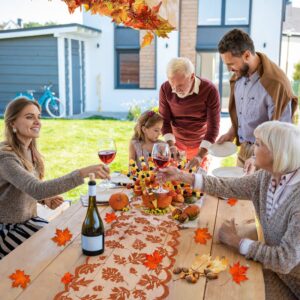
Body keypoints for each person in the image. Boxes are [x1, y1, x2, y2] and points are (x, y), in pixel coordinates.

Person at [158, 121, 300, 299]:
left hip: (292, 284)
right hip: (273, 270)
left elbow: (284, 260)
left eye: (257, 144)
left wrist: (237, 241)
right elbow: (228, 186)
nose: (251, 149)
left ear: (277, 152)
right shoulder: (266, 177)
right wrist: (183, 176)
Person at [0, 98, 110, 259]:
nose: (37, 122)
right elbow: (36, 188)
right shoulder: (6, 158)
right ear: (12, 123)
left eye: (39, 117)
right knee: (60, 253)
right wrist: (82, 173)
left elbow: (22, 187)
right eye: (30, 117)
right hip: (8, 229)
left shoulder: (30, 151)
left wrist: (44, 200)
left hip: (28, 222)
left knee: (70, 239)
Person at [217, 29, 298, 173]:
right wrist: (231, 132)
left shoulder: (275, 84)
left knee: (255, 196)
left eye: (231, 64)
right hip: (243, 151)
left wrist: (256, 158)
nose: (229, 69)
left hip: (266, 157)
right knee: (236, 194)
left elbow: (282, 133)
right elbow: (243, 113)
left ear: (247, 55)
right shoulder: (239, 76)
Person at [159, 57, 220, 169]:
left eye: (180, 85)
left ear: (192, 76)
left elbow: (213, 128)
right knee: (174, 183)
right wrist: (171, 146)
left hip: (201, 146)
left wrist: (200, 156)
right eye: (172, 85)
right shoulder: (165, 88)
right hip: (176, 145)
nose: (175, 90)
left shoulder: (210, 90)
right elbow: (165, 121)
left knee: (197, 183)